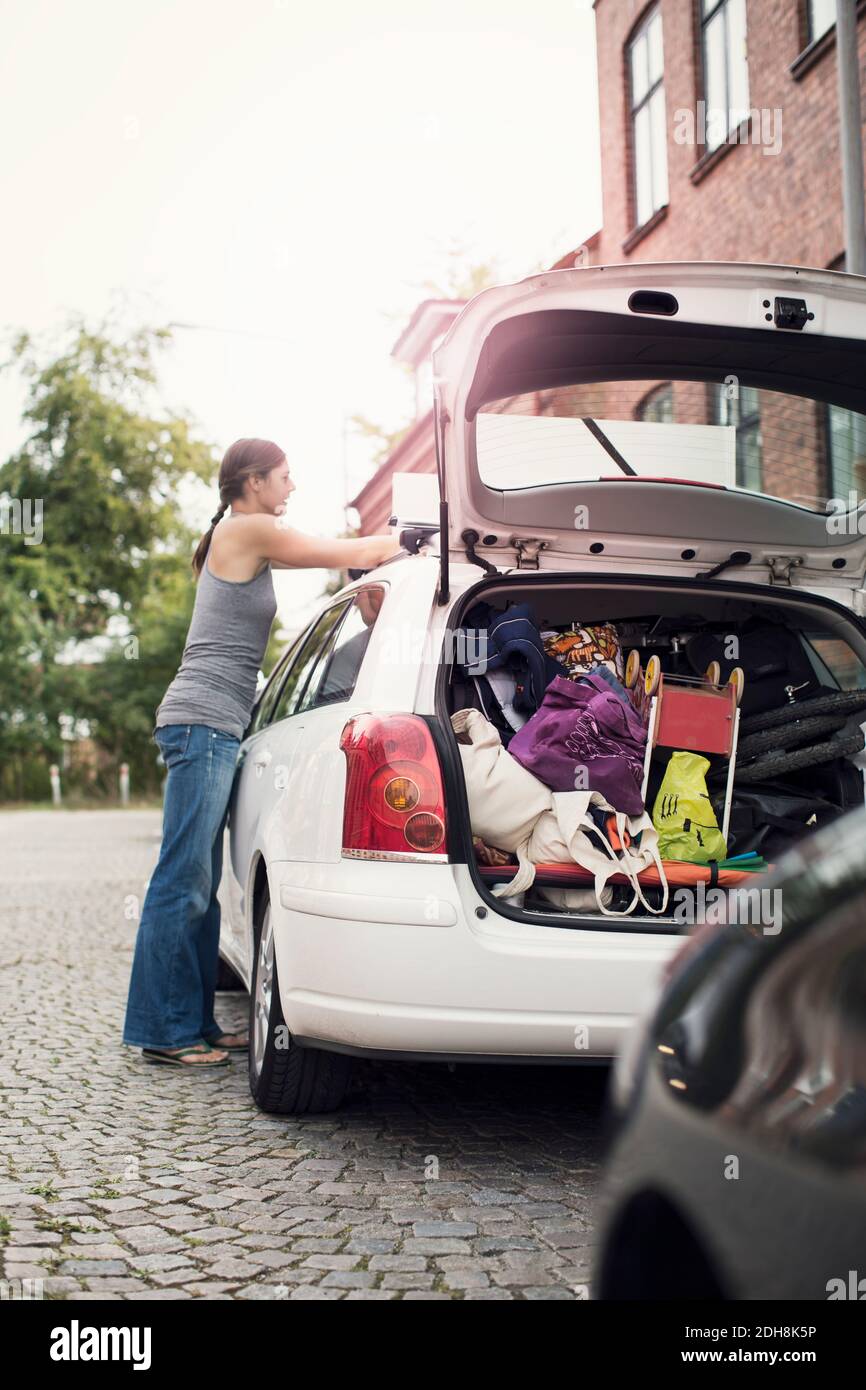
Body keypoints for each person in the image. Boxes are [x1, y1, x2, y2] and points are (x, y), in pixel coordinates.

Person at [122, 437, 402, 1067]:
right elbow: (348, 552)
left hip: (214, 725)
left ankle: (194, 1022)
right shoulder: (247, 529)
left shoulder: (238, 533)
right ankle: (162, 1031)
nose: (291, 487)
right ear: (253, 482)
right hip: (202, 723)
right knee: (182, 879)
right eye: (284, 476)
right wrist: (409, 540)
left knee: (200, 884)